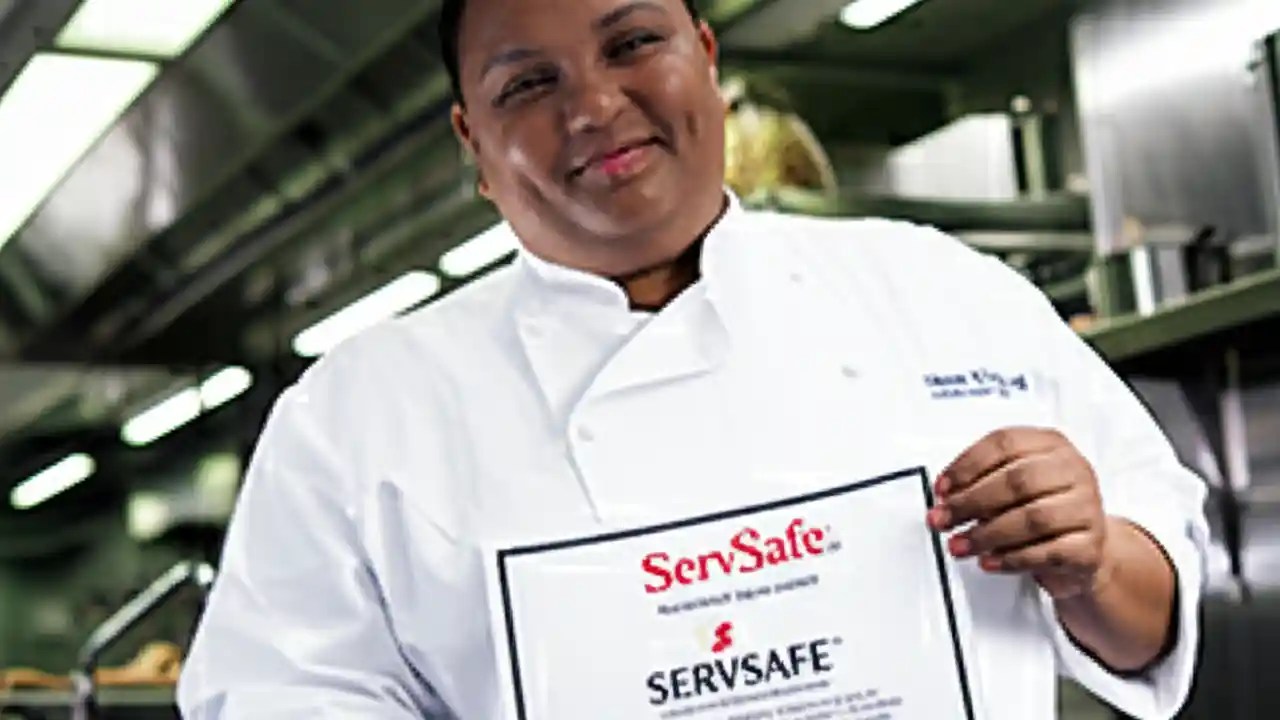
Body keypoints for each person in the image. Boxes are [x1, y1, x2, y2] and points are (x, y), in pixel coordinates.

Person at [176, 0, 1209, 718]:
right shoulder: (359, 412)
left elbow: (1148, 611)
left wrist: (1091, 562)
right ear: (473, 146)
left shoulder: (939, 291)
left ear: (706, 57)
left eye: (631, 42)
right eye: (527, 83)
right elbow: (275, 694)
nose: (591, 108)